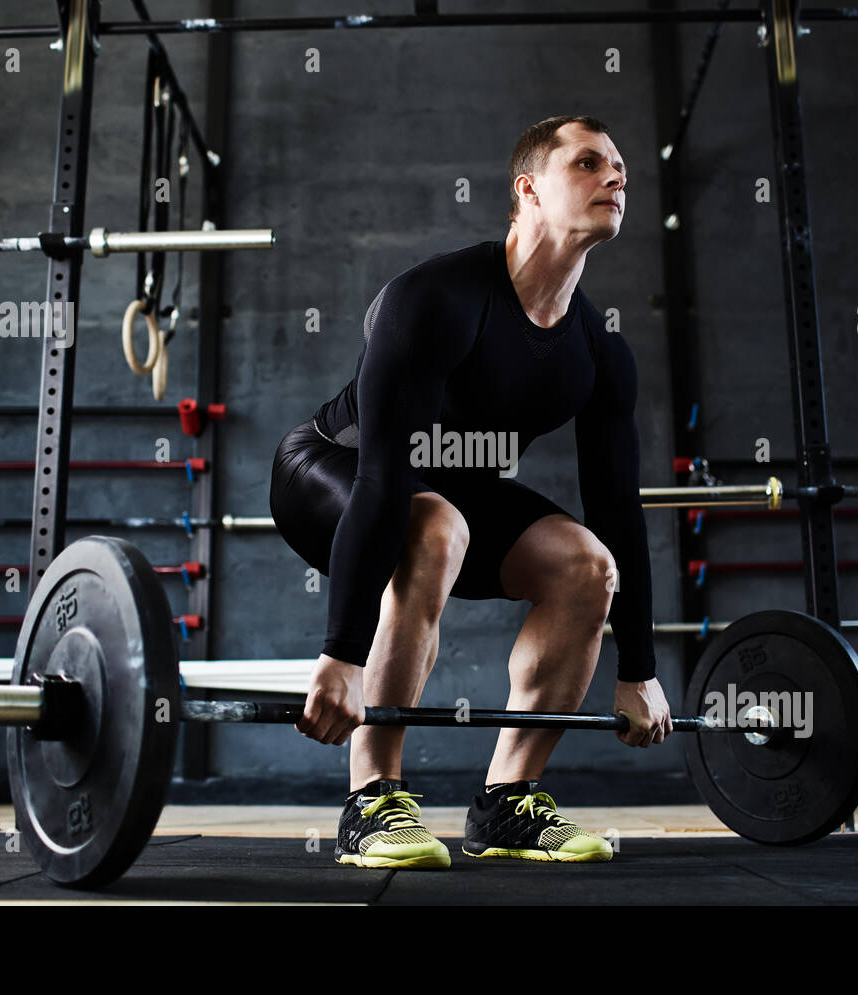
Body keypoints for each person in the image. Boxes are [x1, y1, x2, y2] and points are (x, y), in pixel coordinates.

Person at [269, 114, 672, 869]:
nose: (616, 177)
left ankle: (508, 804)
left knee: (588, 566)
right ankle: (371, 801)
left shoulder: (600, 352)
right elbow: (387, 476)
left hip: (444, 490)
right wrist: (341, 653)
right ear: (528, 189)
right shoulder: (435, 297)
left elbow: (618, 511)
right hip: (333, 469)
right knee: (436, 525)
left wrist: (639, 669)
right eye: (588, 163)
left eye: (621, 168)